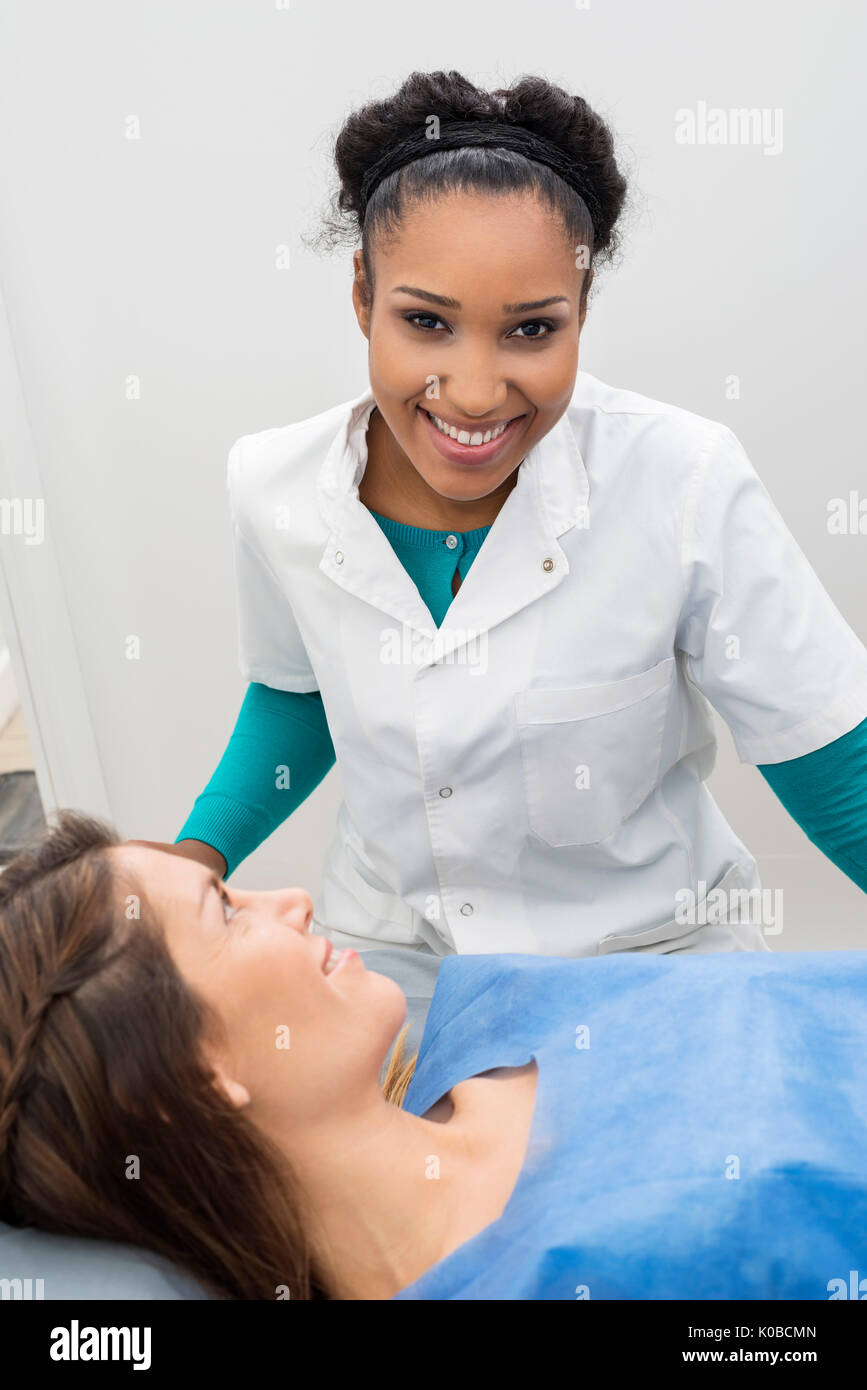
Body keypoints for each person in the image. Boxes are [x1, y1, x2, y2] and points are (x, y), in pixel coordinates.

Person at [148, 69, 867, 958]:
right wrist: (191, 862)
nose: (478, 392)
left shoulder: (681, 479)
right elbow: (298, 695)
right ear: (363, 296)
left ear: (582, 309)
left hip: (653, 953)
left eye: (531, 330)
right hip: (396, 955)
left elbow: (830, 760)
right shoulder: (274, 484)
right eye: (426, 322)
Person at [1, 811, 866, 1301]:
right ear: (179, 1074)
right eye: (224, 911)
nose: (292, 901)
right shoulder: (563, 1277)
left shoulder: (486, 1011)